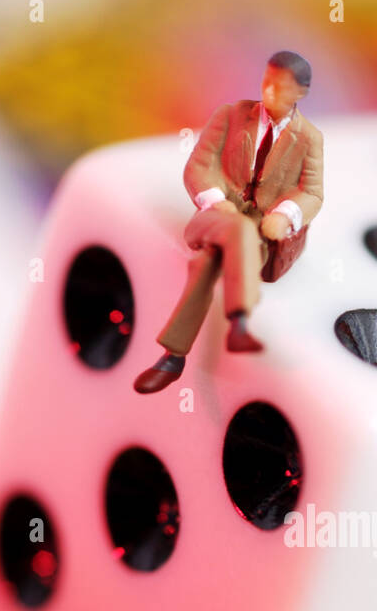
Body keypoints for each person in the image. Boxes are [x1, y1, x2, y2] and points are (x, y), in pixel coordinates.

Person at [134, 51, 324, 393]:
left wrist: (286, 215)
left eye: (280, 88)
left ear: (301, 93)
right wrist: (216, 202)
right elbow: (198, 167)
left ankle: (172, 359)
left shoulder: (309, 139)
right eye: (266, 82)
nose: (268, 92)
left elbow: (312, 193)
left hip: (261, 236)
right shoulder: (230, 116)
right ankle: (239, 320)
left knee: (209, 262)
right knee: (235, 229)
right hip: (214, 219)